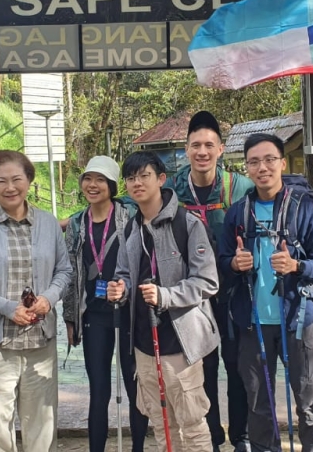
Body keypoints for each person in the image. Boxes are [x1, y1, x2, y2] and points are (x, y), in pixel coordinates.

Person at [218, 133, 313, 452]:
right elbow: (222, 262)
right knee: (259, 405)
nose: (262, 167)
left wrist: (297, 266)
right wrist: (235, 264)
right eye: (253, 162)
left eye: (269, 160)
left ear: (282, 163)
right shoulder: (238, 213)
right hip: (252, 324)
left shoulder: (304, 209)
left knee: (307, 402)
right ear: (247, 168)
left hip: (298, 322)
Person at [0, 150, 72, 452]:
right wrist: (7, 308)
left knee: (42, 422)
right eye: (1, 181)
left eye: (17, 179)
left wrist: (48, 298)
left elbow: (64, 270)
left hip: (39, 342)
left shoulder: (47, 224)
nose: (10, 187)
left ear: (29, 181)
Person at [106, 151, 219, 452]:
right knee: (160, 420)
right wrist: (121, 288)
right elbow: (123, 274)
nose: (137, 183)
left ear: (161, 179)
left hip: (180, 342)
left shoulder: (187, 224)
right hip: (143, 341)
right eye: (131, 178)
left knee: (192, 422)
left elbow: (208, 281)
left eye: (144, 175)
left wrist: (166, 295)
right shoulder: (130, 228)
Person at [165, 111, 254, 452]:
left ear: (220, 149)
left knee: (237, 366)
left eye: (208, 145)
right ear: (186, 150)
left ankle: (241, 436)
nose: (202, 151)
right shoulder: (171, 188)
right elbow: (133, 202)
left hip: (233, 292)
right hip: (192, 294)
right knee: (202, 366)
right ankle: (212, 436)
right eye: (195, 145)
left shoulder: (239, 186)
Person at [63, 156, 150, 451]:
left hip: (129, 313)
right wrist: (70, 317)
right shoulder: (76, 223)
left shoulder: (129, 216)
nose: (93, 185)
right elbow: (70, 275)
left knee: (134, 385)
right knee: (98, 390)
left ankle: (138, 446)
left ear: (112, 186)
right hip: (95, 315)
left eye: (101, 180)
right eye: (88, 178)